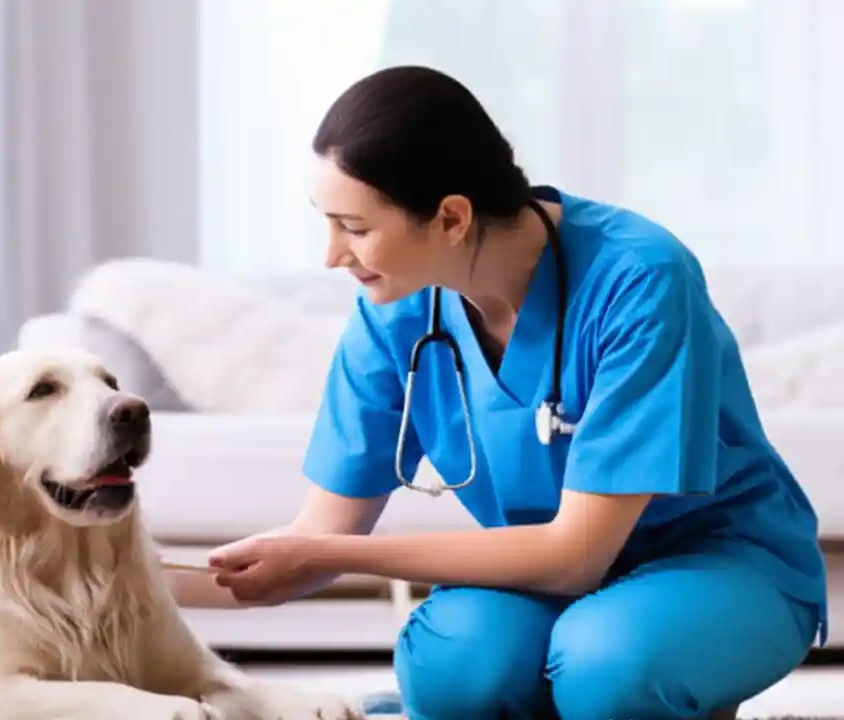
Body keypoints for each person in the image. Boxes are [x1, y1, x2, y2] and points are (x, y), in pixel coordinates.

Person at [169, 66, 828, 720]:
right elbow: (310, 545)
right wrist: (114, 573)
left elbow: (575, 555)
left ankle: (668, 681)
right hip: (543, 581)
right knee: (454, 666)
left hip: (717, 560)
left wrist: (333, 554)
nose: (332, 255)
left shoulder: (640, 277)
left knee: (608, 666)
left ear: (452, 216)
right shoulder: (396, 307)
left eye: (355, 227)